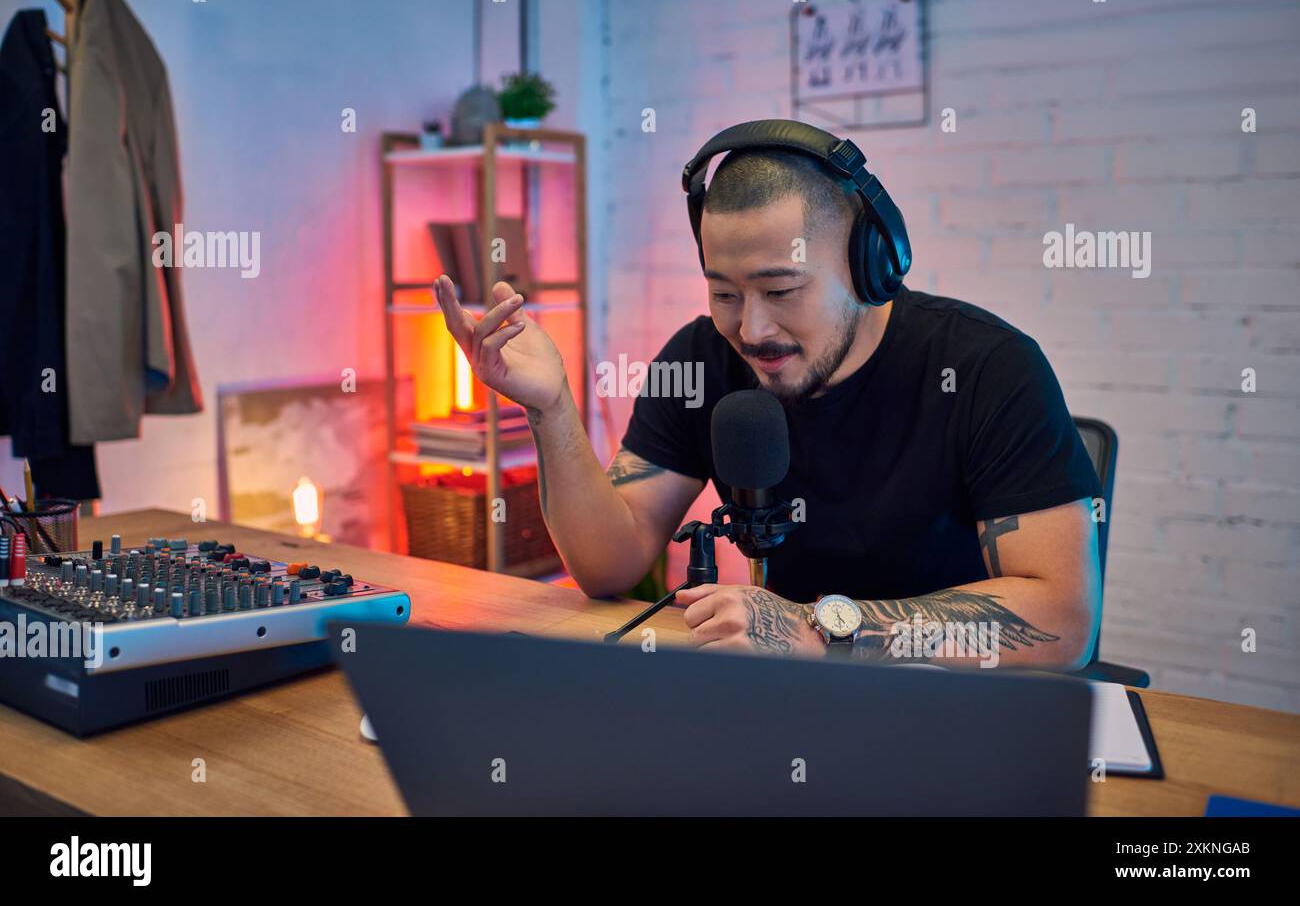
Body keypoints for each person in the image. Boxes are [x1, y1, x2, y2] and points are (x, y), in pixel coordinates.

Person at [434, 120, 1102, 670]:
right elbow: (611, 566)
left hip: (952, 710)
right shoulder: (700, 358)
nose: (750, 329)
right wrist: (551, 411)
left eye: (781, 291)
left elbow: (1064, 621)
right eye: (724, 292)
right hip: (790, 705)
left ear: (870, 266)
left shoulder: (989, 369)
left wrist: (823, 629)